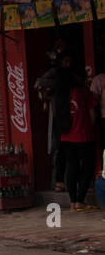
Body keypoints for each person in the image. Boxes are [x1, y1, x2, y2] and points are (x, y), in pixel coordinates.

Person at [35, 49, 76, 191]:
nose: (68, 64)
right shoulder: (55, 73)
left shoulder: (70, 75)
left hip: (71, 115)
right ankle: (59, 181)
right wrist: (57, 84)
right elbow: (38, 83)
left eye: (70, 62)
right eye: (66, 62)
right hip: (58, 116)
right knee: (60, 149)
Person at [62, 76, 98, 211]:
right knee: (87, 168)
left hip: (66, 136)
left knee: (71, 167)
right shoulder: (84, 93)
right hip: (84, 135)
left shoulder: (62, 93)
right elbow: (92, 113)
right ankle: (80, 201)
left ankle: (72, 202)